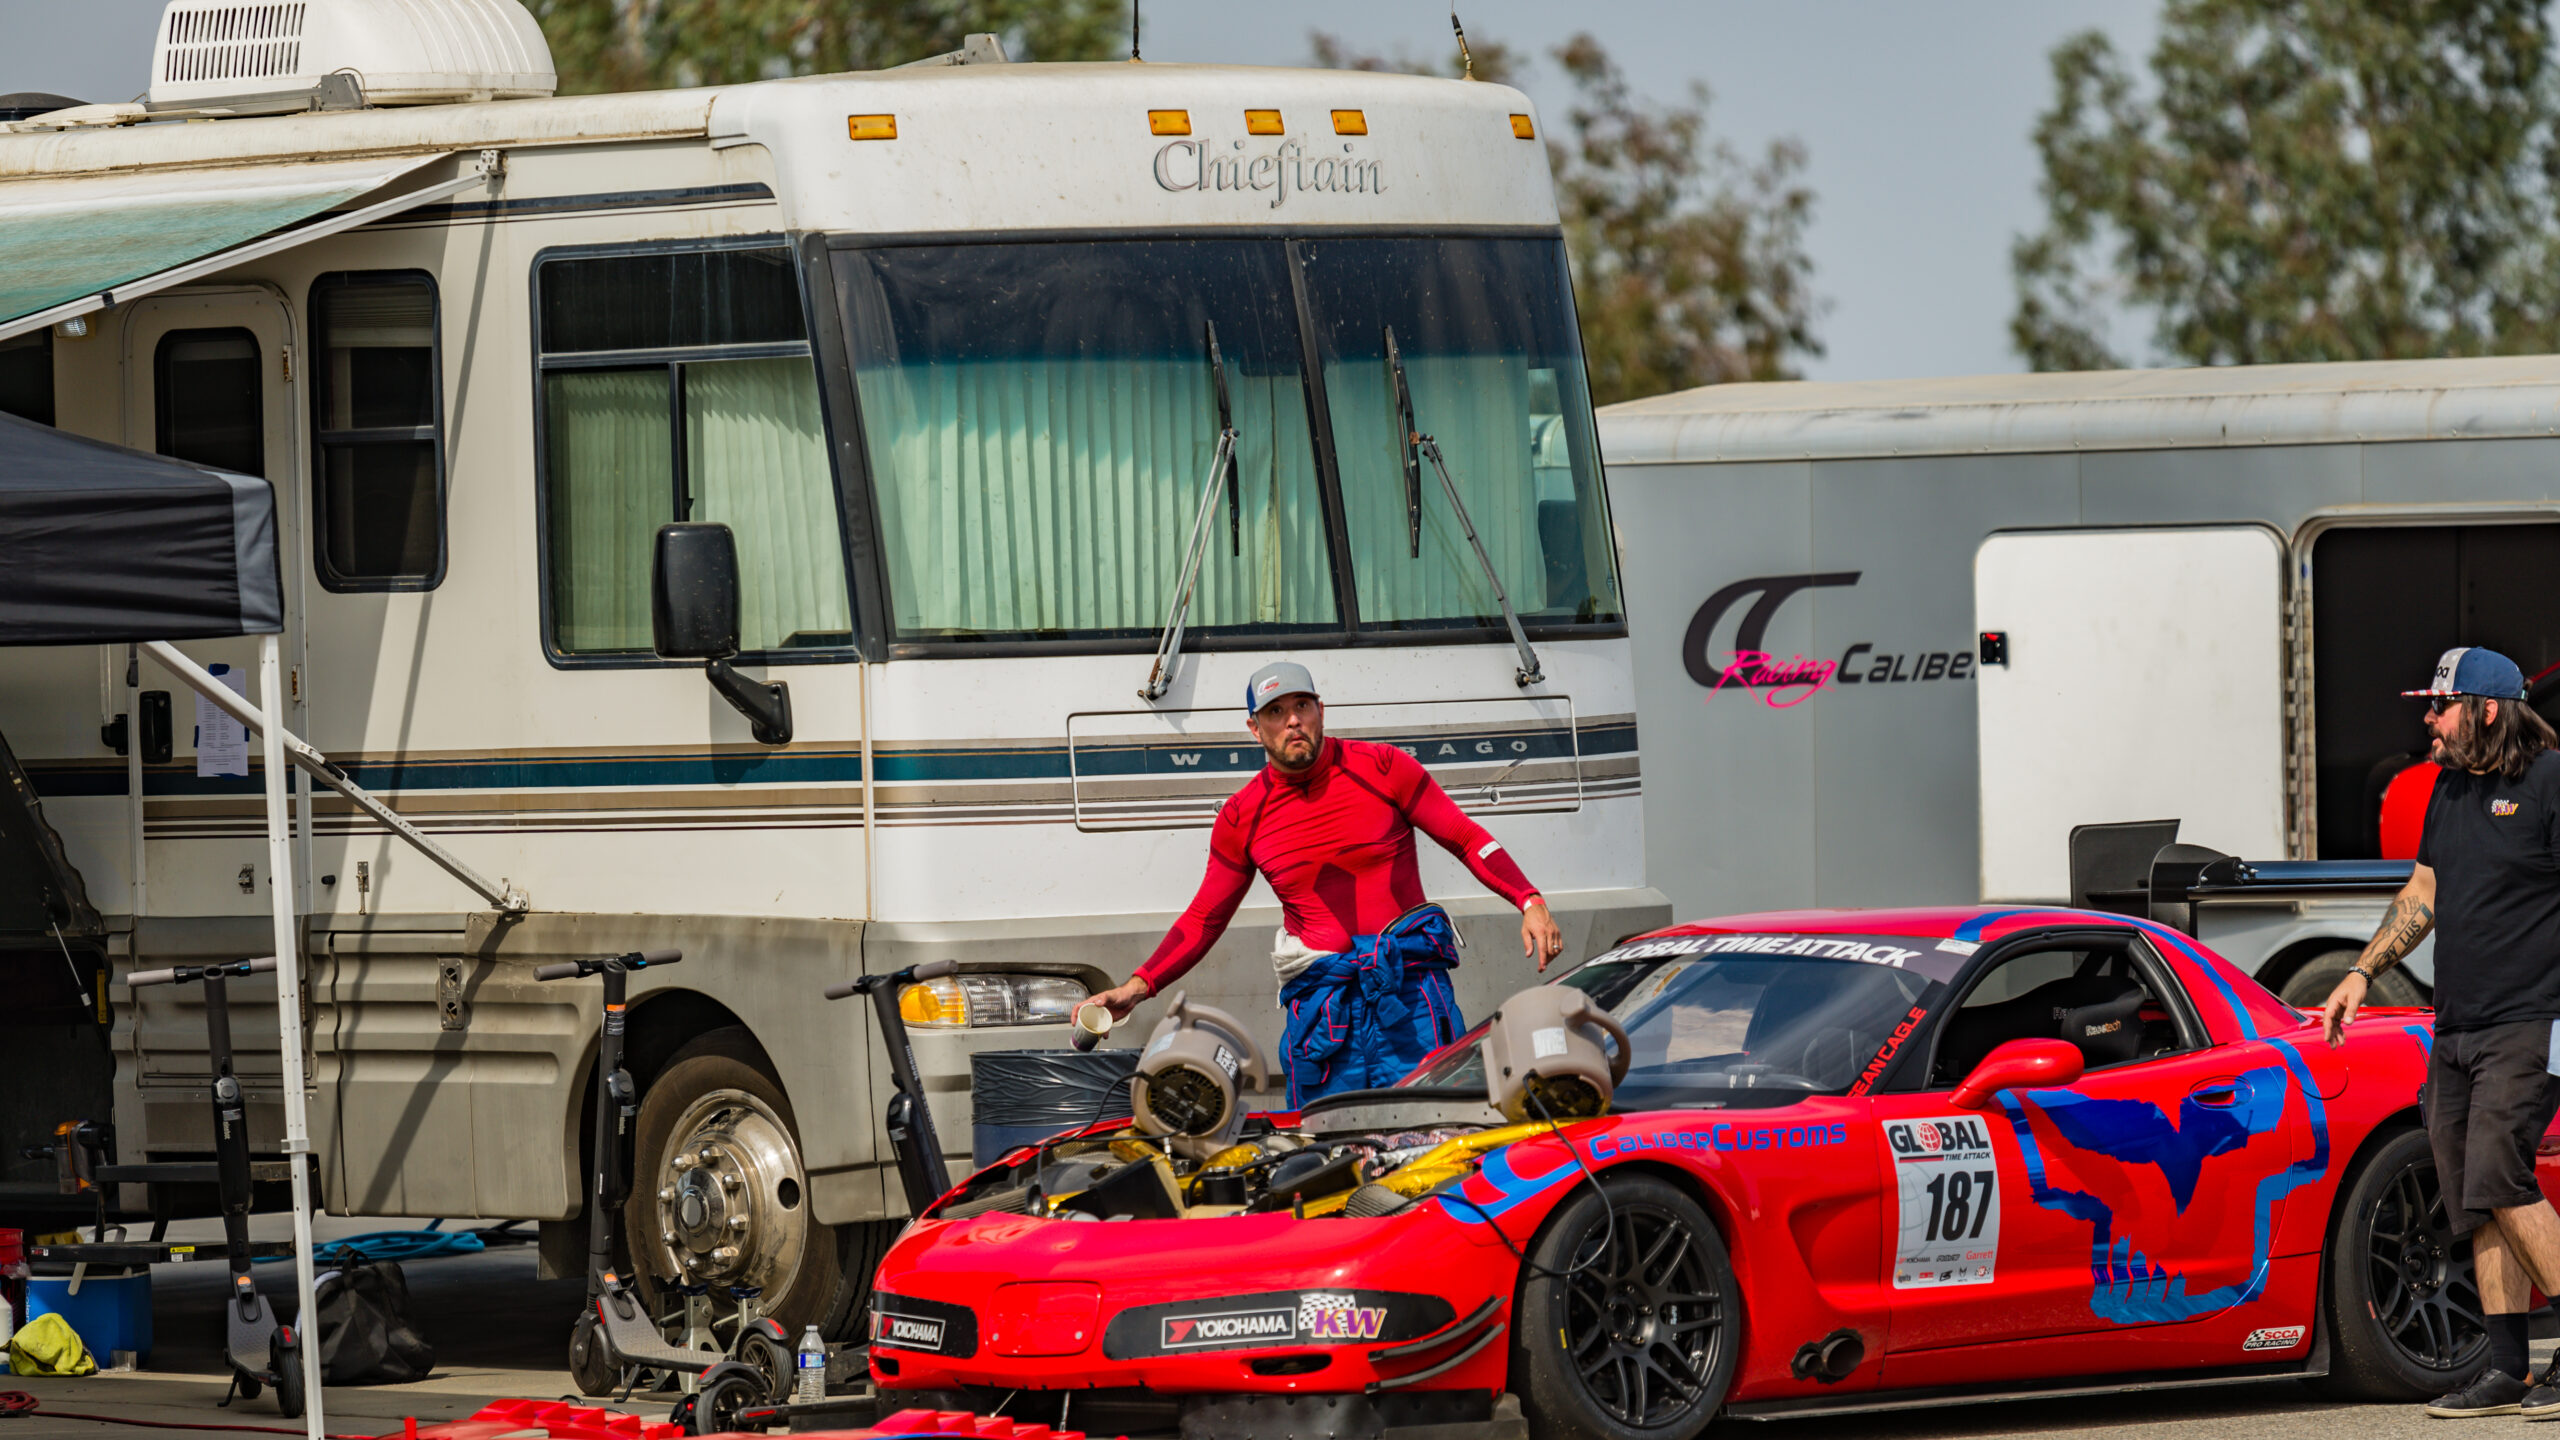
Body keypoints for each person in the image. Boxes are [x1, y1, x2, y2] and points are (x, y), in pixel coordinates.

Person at [1084, 661, 1564, 1104]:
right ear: (1255, 728)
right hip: (1323, 1014)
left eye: (1301, 705)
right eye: (1275, 712)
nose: (1292, 720)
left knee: (1432, 1130)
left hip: (1409, 998)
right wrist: (1137, 987)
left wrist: (1530, 901)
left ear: (1320, 710)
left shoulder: (1383, 768)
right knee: (1327, 1149)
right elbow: (1204, 918)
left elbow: (1466, 837)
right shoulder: (1241, 816)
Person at [2323, 647, 2560, 1418]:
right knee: (2472, 1196)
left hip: (2532, 1019)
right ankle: (2509, 1367)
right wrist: (2362, 971)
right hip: (2456, 1024)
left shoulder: (2550, 782)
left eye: (2441, 705)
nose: (2428, 719)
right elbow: (2423, 890)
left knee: (2498, 1173)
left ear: (2487, 711)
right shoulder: (2450, 788)